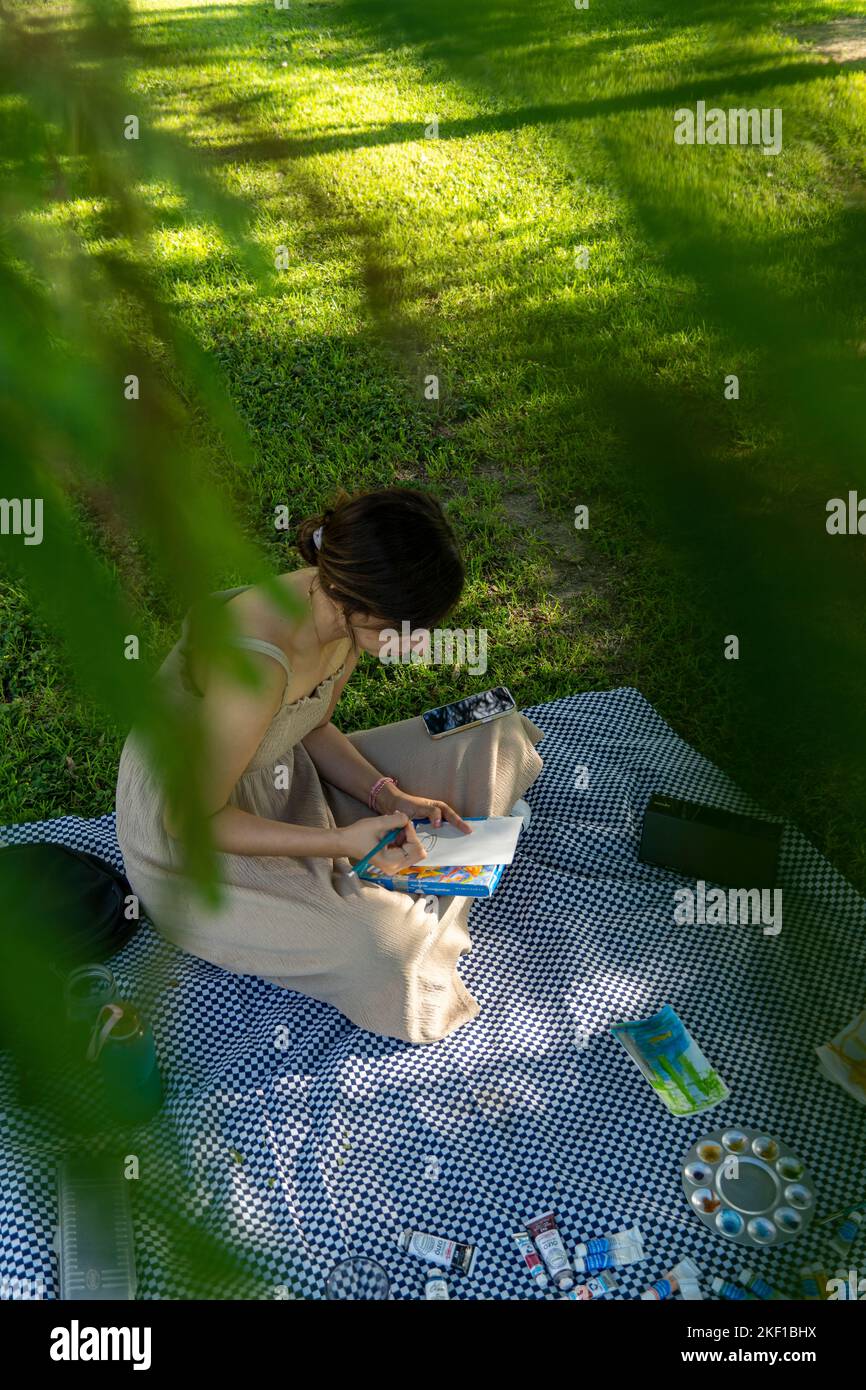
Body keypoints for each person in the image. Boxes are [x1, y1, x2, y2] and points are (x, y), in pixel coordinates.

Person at [115, 486, 544, 1043]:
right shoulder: (258, 664)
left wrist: (388, 796)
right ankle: (390, 897)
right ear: (355, 600)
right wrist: (343, 842)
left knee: (496, 730)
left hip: (281, 772)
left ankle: (392, 877)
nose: (417, 647)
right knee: (385, 949)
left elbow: (311, 728)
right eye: (406, 630)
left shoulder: (336, 615)